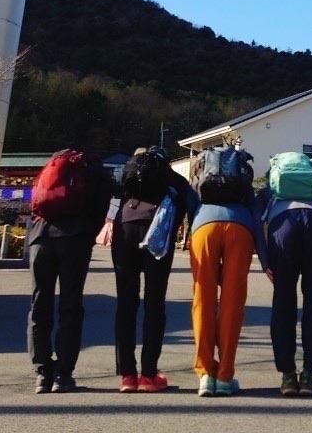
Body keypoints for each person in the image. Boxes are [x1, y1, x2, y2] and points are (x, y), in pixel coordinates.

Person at [26, 147, 113, 394]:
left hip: (40, 237)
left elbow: (37, 201)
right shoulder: (94, 170)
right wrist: (88, 234)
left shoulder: (54, 163)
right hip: (74, 238)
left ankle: (42, 373)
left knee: (38, 305)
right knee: (70, 306)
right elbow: (101, 209)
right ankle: (62, 375)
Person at [112, 146, 197, 393]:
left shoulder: (129, 174)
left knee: (126, 303)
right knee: (154, 303)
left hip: (125, 230)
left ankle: (128, 375)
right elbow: (190, 212)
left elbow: (113, 203)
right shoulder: (175, 180)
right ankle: (149, 375)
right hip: (158, 235)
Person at [187, 144, 267, 397]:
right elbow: (256, 214)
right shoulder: (242, 176)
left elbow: (191, 204)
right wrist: (266, 260)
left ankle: (205, 374)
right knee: (233, 302)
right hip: (240, 228)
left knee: (203, 299)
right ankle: (224, 376)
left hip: (203, 228)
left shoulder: (199, 170)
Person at [258, 150, 312, 397]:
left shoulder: (270, 191)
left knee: (283, 302)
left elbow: (256, 222)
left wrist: (265, 261)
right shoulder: (311, 193)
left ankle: (288, 377)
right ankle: (308, 376)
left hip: (282, 230)